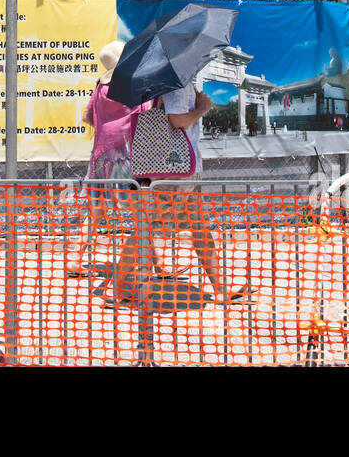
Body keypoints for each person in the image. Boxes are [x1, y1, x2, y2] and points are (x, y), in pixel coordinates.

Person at [113, 81, 252, 306]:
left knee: (196, 228)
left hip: (180, 172)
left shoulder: (173, 81)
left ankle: (219, 289)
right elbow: (176, 120)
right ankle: (117, 289)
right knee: (147, 231)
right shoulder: (178, 83)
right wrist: (202, 109)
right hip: (176, 173)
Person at [65, 41, 150, 279]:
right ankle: (153, 265)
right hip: (127, 154)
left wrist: (106, 127)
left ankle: (75, 259)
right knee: (140, 212)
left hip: (101, 155)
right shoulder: (132, 86)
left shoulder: (99, 87)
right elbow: (145, 113)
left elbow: (87, 116)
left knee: (95, 211)